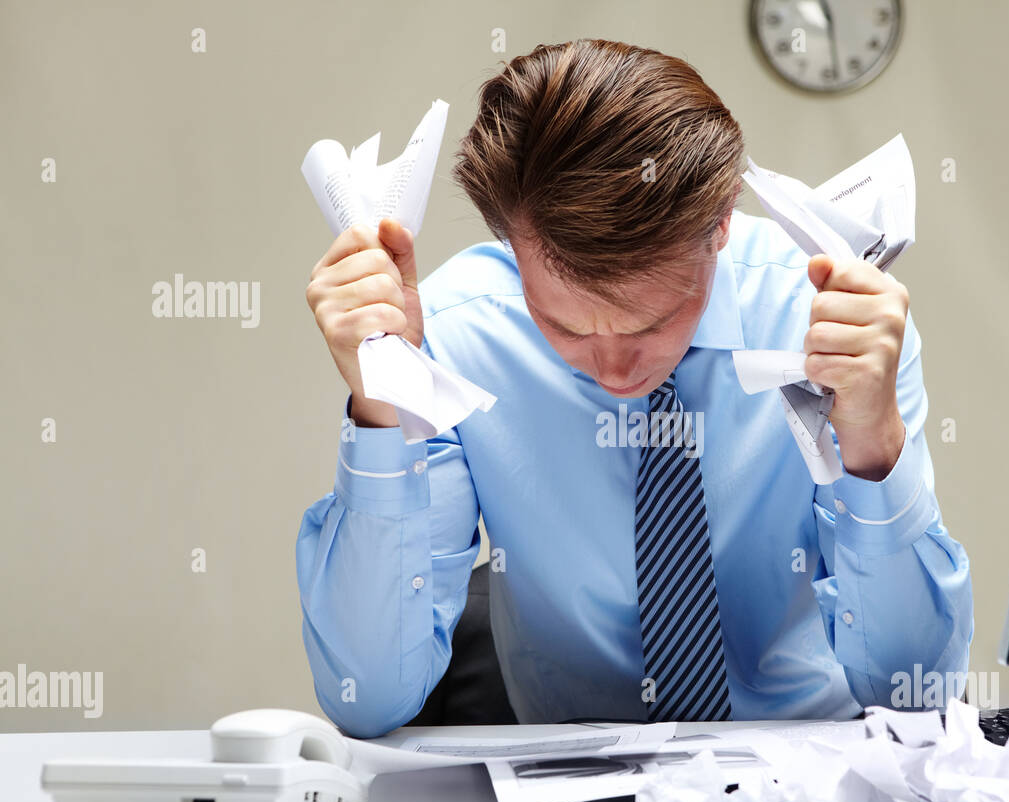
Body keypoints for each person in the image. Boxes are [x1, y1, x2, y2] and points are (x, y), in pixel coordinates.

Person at [297, 38, 973, 738]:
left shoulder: (828, 323)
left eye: (652, 321)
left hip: (811, 790)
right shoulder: (450, 335)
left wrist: (872, 442)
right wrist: (381, 401)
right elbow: (367, 697)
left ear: (719, 228)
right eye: (563, 325)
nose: (616, 371)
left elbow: (913, 698)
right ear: (510, 248)